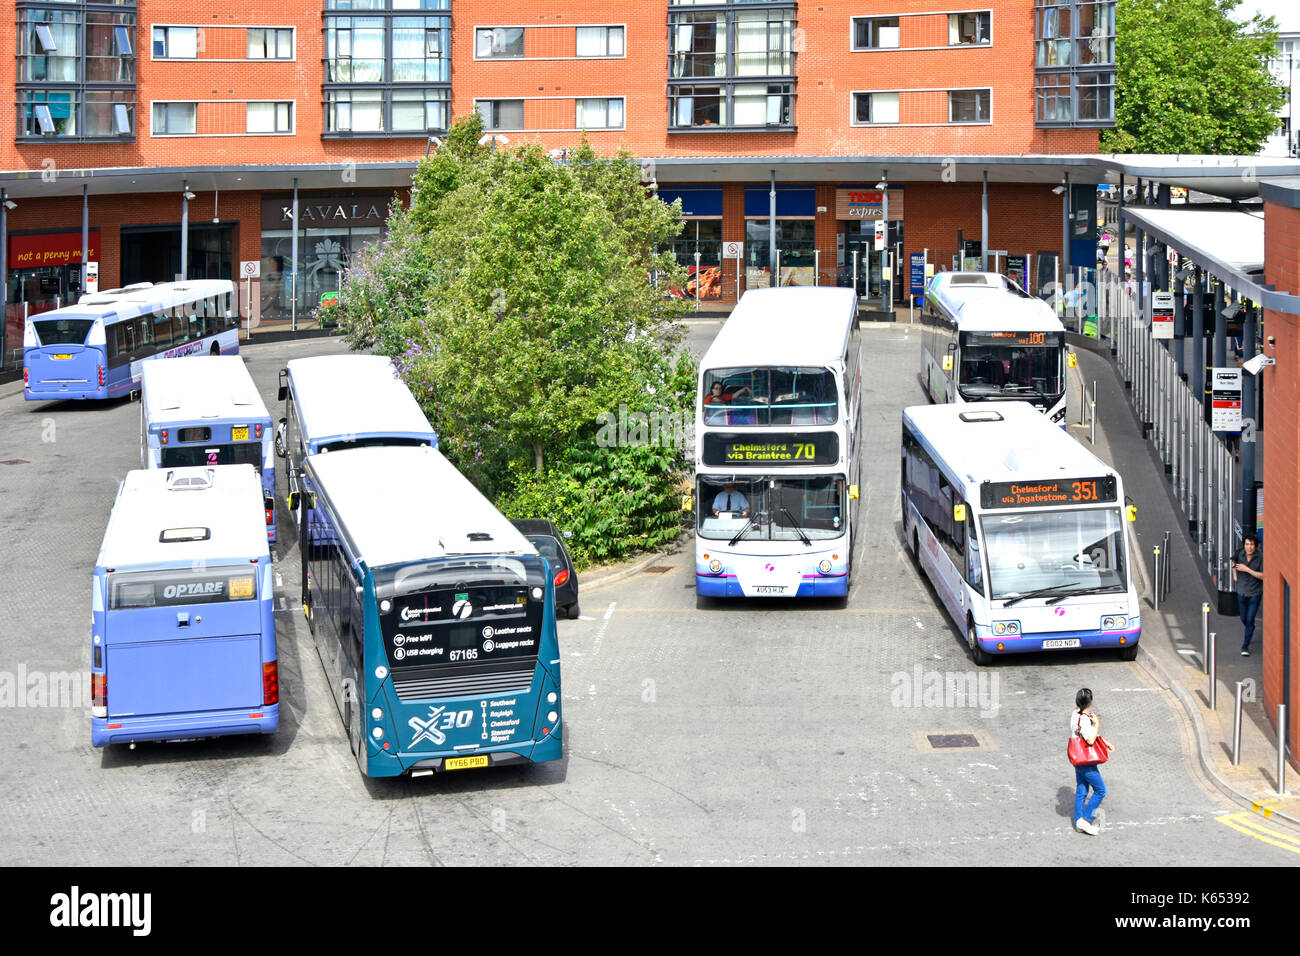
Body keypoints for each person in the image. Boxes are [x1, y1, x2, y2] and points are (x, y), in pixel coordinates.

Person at [1071, 688, 1109, 835]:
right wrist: (1097, 724)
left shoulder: (1075, 715)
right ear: (1090, 702)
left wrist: (1105, 741)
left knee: (1082, 789)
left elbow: (1082, 733)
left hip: (1077, 757)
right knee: (1100, 790)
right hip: (1087, 760)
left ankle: (1078, 821)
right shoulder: (1086, 720)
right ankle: (1085, 820)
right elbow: (1090, 739)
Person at [1233, 535, 1263, 656]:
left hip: (1255, 593)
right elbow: (1233, 563)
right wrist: (1235, 575)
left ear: (1255, 546)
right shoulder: (1240, 553)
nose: (1249, 547)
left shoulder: (1260, 558)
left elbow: (1264, 576)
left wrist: (1248, 569)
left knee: (1250, 619)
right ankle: (1250, 628)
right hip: (1241, 591)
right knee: (1244, 618)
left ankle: (1245, 646)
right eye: (1246, 544)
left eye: (1251, 545)